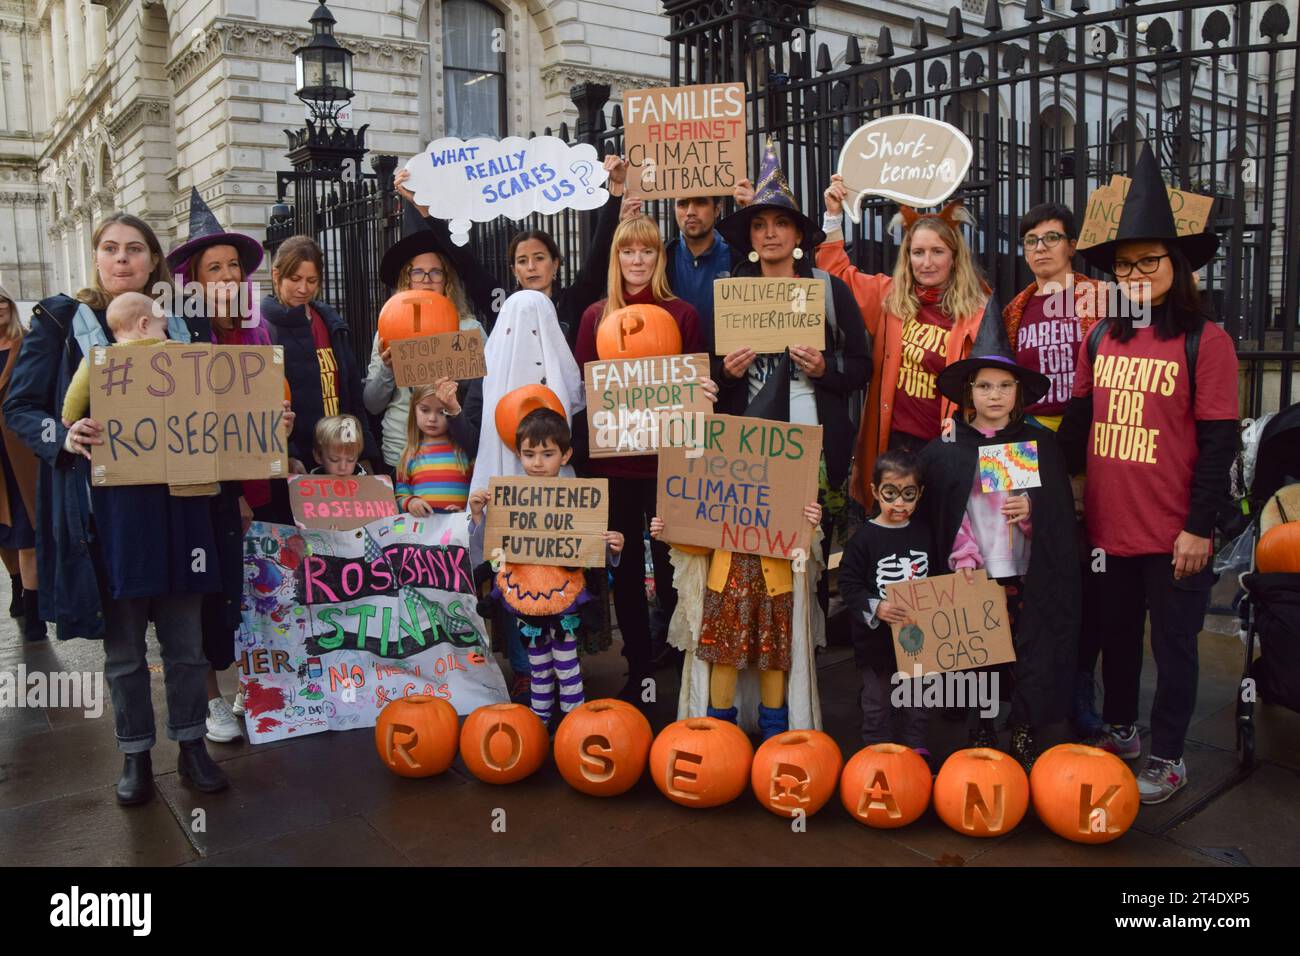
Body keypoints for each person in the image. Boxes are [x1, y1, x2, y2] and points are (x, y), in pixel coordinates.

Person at [3, 212, 229, 805]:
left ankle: (191, 745)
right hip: (106, 519)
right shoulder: (58, 324)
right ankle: (134, 754)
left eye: (135, 249)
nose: (122, 259)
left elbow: (225, 408)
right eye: (110, 248)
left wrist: (258, 427)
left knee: (185, 643)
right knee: (125, 649)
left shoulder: (185, 326)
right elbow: (21, 407)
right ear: (97, 259)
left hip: (183, 514)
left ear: (153, 262)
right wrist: (63, 433)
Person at [1058, 144, 1239, 804]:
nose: (1137, 273)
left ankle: (1167, 754)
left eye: (1150, 261)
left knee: (1175, 645)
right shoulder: (1100, 338)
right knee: (1115, 639)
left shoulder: (1205, 340)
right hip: (1109, 528)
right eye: (1126, 263)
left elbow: (1219, 445)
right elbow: (1077, 430)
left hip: (1174, 535)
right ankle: (1123, 729)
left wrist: (1198, 528)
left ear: (1177, 264)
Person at [165, 188, 295, 742]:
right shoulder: (177, 335)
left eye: (233, 266)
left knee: (254, 589)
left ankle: (251, 682)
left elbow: (264, 410)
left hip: (254, 483)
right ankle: (211, 698)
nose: (224, 275)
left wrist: (279, 423)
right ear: (193, 279)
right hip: (202, 488)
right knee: (206, 592)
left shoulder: (257, 333)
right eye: (212, 266)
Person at [919, 352, 1080, 770]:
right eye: (985, 386)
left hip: (1026, 566)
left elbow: (1058, 510)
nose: (995, 395)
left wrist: (1032, 510)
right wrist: (963, 556)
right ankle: (981, 724)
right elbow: (946, 512)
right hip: (976, 567)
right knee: (980, 653)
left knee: (1029, 651)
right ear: (969, 392)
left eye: (1005, 386)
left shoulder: (1038, 441)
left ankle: (1025, 726)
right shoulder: (949, 448)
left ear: (1018, 393)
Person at [573, 215, 710, 700]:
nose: (637, 260)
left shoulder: (683, 315)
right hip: (615, 466)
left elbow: (693, 387)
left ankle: (678, 653)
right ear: (616, 258)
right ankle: (638, 667)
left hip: (670, 465)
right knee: (626, 572)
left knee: (677, 566)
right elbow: (588, 392)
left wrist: (703, 389)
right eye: (628, 251)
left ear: (659, 258)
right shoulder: (595, 317)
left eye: (647, 251)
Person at [816, 173, 1006, 506]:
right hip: (894, 447)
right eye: (918, 252)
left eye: (937, 251)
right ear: (907, 257)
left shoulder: (979, 311)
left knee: (949, 539)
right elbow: (838, 279)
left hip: (949, 449)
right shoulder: (890, 298)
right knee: (896, 539)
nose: (927, 262)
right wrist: (833, 216)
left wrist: (1005, 489)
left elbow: (1002, 396)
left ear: (954, 256)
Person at [468, 408, 624, 724]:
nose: (537, 462)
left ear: (565, 455)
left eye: (547, 453)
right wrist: (478, 518)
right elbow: (494, 557)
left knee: (567, 666)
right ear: (519, 455)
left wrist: (612, 547)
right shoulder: (508, 499)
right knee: (539, 668)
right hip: (526, 600)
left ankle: (573, 723)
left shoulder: (578, 497)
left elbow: (591, 553)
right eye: (529, 454)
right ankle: (539, 724)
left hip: (564, 600)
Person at [469, 289, 585, 700]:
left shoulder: (556, 375)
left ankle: (566, 675)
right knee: (511, 576)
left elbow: (573, 402)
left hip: (554, 485)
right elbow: (478, 424)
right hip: (504, 471)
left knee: (553, 575)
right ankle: (525, 669)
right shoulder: (489, 375)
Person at [394, 155, 630, 345]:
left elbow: (599, 258)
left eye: (539, 258)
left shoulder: (573, 301)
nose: (531, 267)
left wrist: (616, 189)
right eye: (522, 260)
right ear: (514, 269)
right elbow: (466, 263)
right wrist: (423, 208)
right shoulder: (502, 304)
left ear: (555, 263)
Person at [261, 234, 379, 513]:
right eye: (295, 279)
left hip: (340, 459)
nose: (303, 288)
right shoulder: (263, 327)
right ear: (277, 275)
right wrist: (288, 454)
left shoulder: (330, 322)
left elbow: (349, 394)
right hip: (297, 462)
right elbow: (264, 404)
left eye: (311, 281)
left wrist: (364, 453)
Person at [364, 203, 485, 472]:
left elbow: (483, 397)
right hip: (400, 452)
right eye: (417, 272)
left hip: (452, 455)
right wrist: (388, 369)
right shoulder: (388, 328)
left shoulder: (469, 330)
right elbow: (372, 404)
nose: (427, 279)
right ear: (407, 280)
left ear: (446, 280)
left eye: (436, 272)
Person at [837, 449, 934, 764]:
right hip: (876, 640)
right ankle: (876, 749)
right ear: (876, 491)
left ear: (920, 494)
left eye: (908, 495)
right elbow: (849, 584)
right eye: (891, 494)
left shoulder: (925, 534)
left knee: (918, 696)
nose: (899, 504)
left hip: (918, 638)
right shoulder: (863, 539)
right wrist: (875, 607)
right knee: (877, 698)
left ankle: (916, 745)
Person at [1004, 202, 1105, 431]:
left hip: (1093, 428)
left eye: (1051, 237)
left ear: (1071, 246)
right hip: (1028, 429)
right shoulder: (1011, 313)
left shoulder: (1103, 298)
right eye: (1031, 240)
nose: (1040, 248)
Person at [0, 283, 45, 641]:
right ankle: (16, 583)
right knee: (4, 533)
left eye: (3, 301)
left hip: (21, 450)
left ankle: (34, 611)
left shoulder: (27, 341)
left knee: (27, 529)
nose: (0, 307)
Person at [395, 383, 473, 514]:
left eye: (442, 412)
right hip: (423, 530)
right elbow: (400, 494)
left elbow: (477, 490)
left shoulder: (463, 450)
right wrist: (411, 503)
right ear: (414, 410)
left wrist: (465, 511)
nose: (432, 418)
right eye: (425, 410)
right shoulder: (409, 454)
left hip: (458, 530)